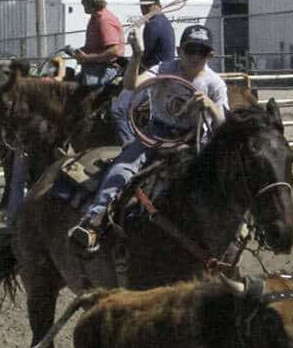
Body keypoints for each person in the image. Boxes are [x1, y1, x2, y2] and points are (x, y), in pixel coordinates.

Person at [67, 24, 230, 255]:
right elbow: (131, 85)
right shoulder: (164, 68)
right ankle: (94, 221)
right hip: (156, 134)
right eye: (190, 50)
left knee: (219, 180)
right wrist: (137, 54)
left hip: (192, 140)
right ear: (179, 50)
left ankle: (231, 231)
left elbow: (223, 124)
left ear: (210, 55)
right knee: (123, 167)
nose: (195, 56)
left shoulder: (214, 84)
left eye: (201, 52)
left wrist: (211, 107)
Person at [68, 0, 124, 88]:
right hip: (95, 68)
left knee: (83, 96)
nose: (81, 3)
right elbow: (95, 47)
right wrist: (80, 52)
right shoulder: (94, 19)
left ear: (91, 2)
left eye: (83, 0)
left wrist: (87, 58)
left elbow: (114, 51)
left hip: (104, 70)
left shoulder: (104, 20)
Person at [138, 0, 176, 67]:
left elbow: (147, 54)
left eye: (148, 6)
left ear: (157, 5)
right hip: (167, 68)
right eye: (142, 6)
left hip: (157, 71)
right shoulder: (164, 21)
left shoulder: (153, 24)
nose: (144, 9)